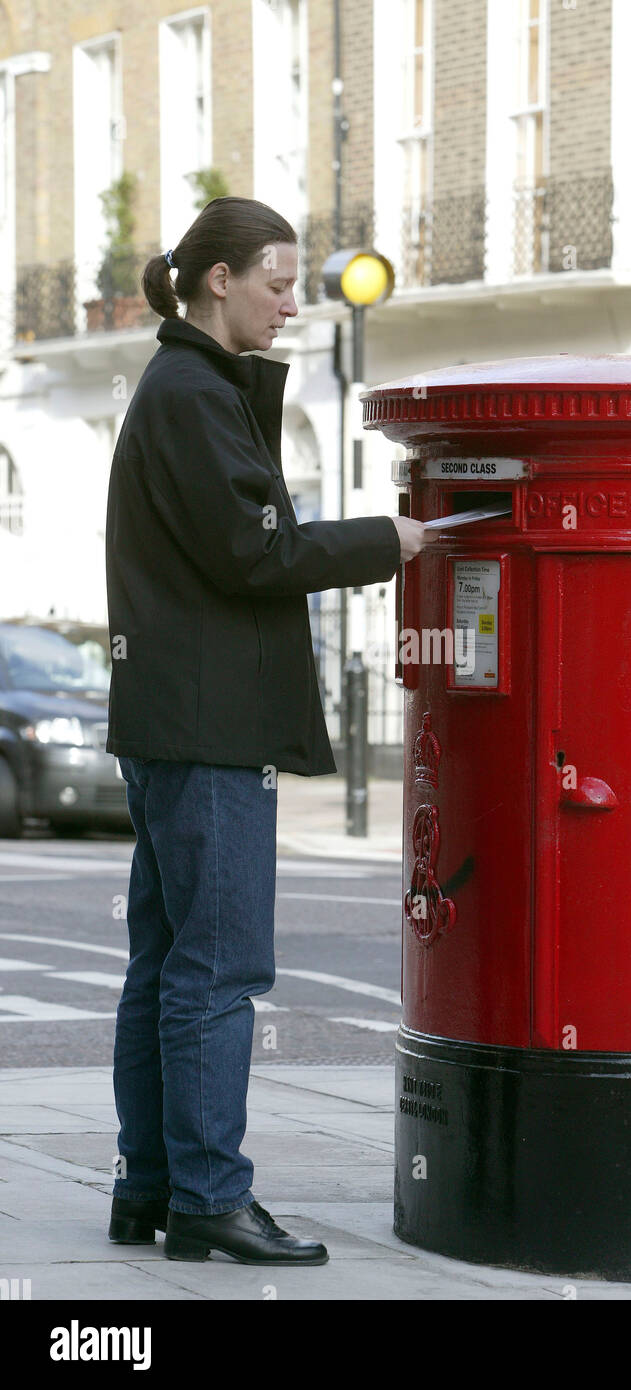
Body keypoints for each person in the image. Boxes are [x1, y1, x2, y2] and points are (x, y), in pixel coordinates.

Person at [103, 195, 425, 1266]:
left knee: (165, 963)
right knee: (220, 967)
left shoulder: (186, 387)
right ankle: (207, 1195)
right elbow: (258, 551)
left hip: (175, 720)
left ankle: (150, 1187)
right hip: (207, 726)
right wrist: (392, 536)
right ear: (216, 282)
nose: (294, 303)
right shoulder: (192, 392)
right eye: (277, 282)